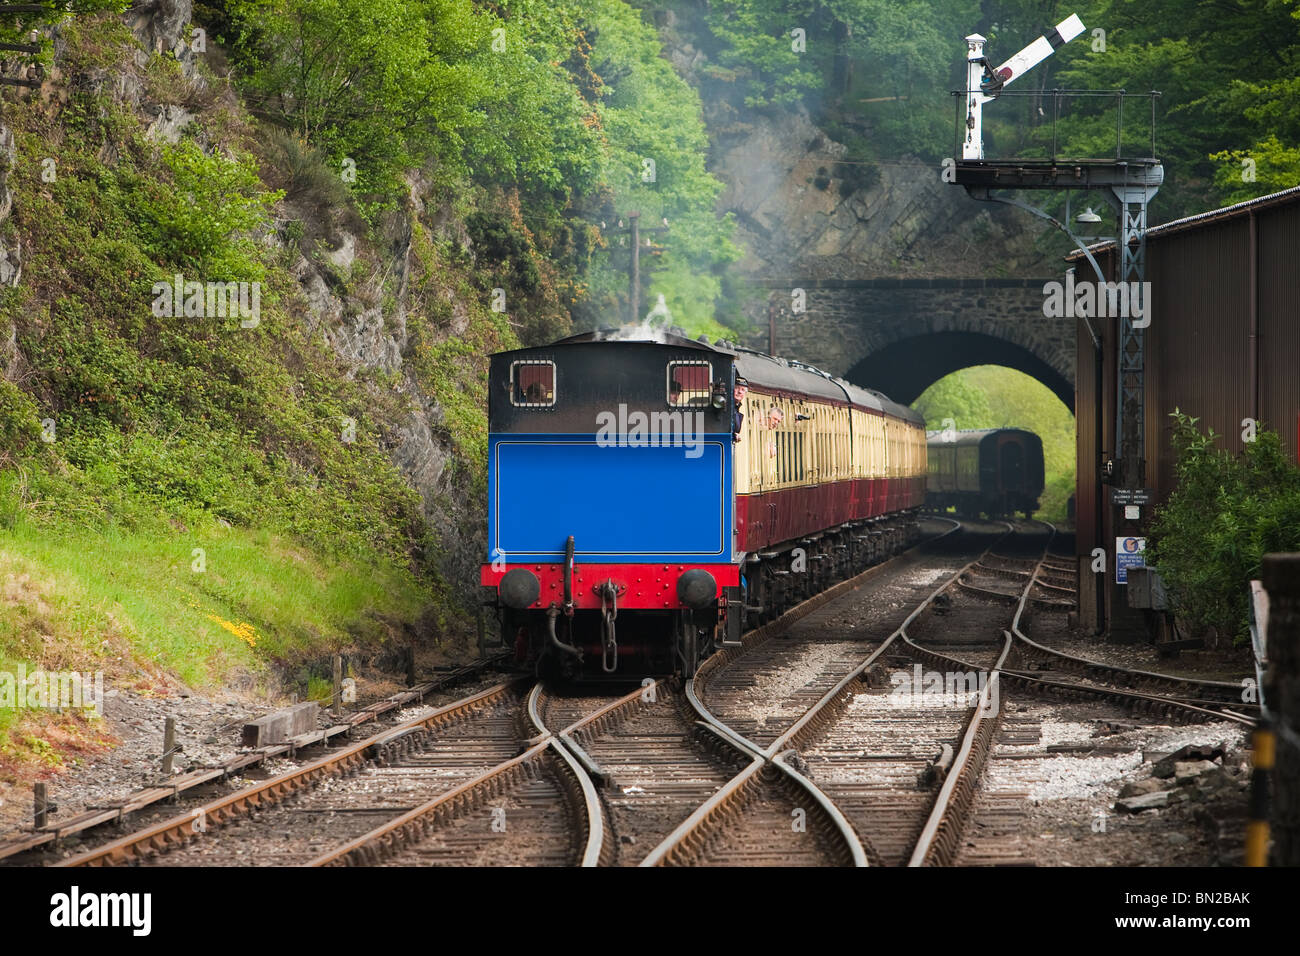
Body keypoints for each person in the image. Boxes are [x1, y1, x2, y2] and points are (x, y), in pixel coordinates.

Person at [732, 376, 748, 442]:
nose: (740, 392)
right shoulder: (728, 407)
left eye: (743, 390)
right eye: (737, 388)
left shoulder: (737, 407)